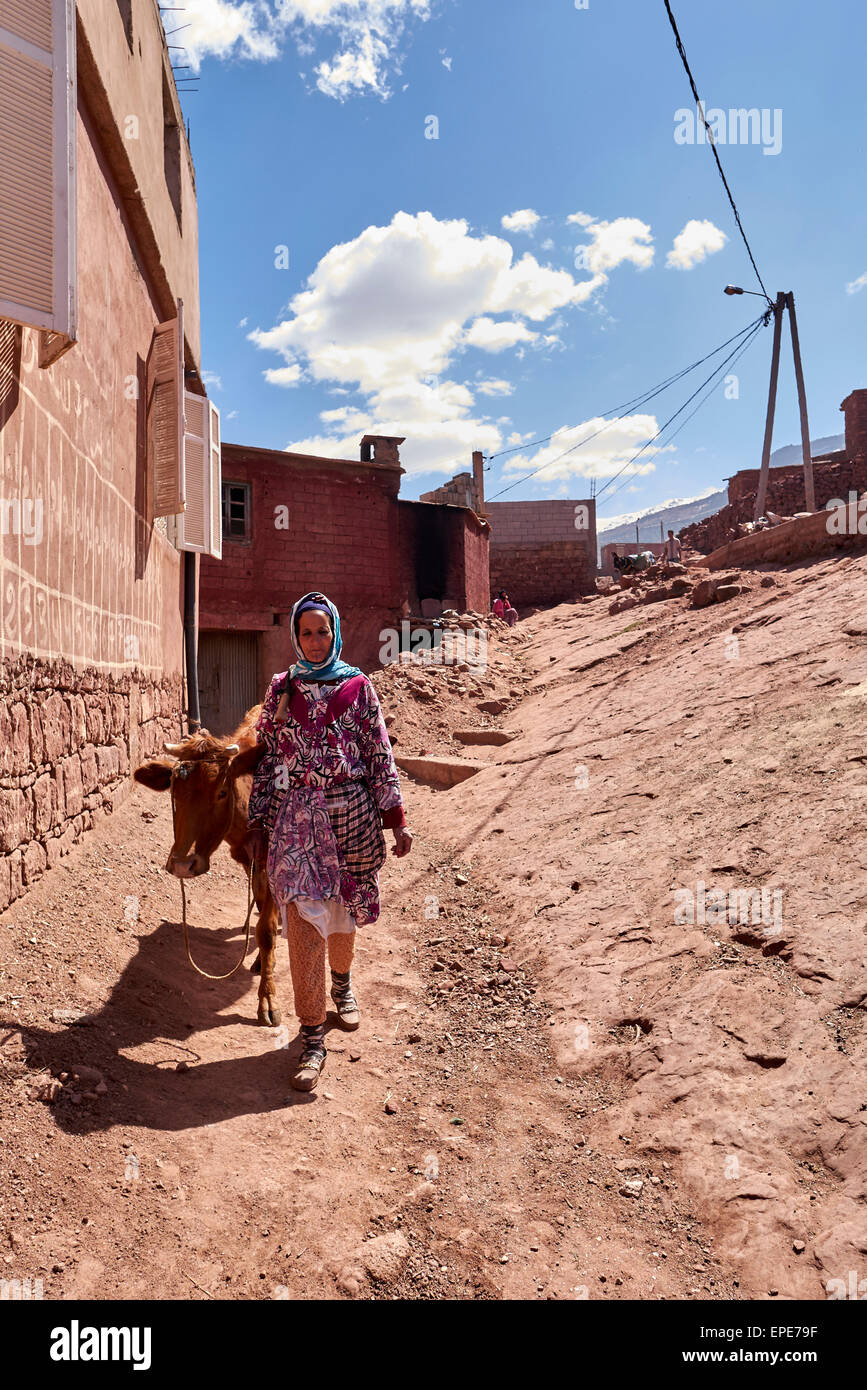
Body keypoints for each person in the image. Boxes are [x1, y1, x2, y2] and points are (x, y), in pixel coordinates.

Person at [244, 591, 413, 1091]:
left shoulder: (360, 689)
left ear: (334, 632)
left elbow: (379, 754)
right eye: (305, 633)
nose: (314, 642)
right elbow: (270, 761)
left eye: (321, 632)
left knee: (342, 914)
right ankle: (312, 1038)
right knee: (301, 921)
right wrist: (258, 822)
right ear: (295, 637)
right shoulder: (280, 691)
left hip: (352, 819)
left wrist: (396, 817)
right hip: (297, 822)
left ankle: (342, 983)